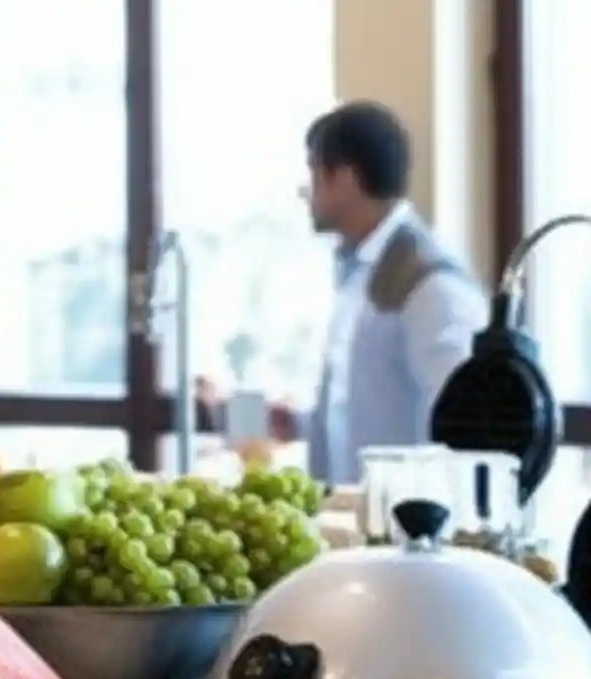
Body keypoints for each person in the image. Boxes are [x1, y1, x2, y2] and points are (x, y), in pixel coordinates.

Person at [199, 101, 487, 485]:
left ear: (344, 177)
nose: (307, 192)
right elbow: (365, 403)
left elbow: (461, 424)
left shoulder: (430, 285)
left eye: (314, 173)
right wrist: (297, 422)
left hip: (408, 526)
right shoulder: (360, 273)